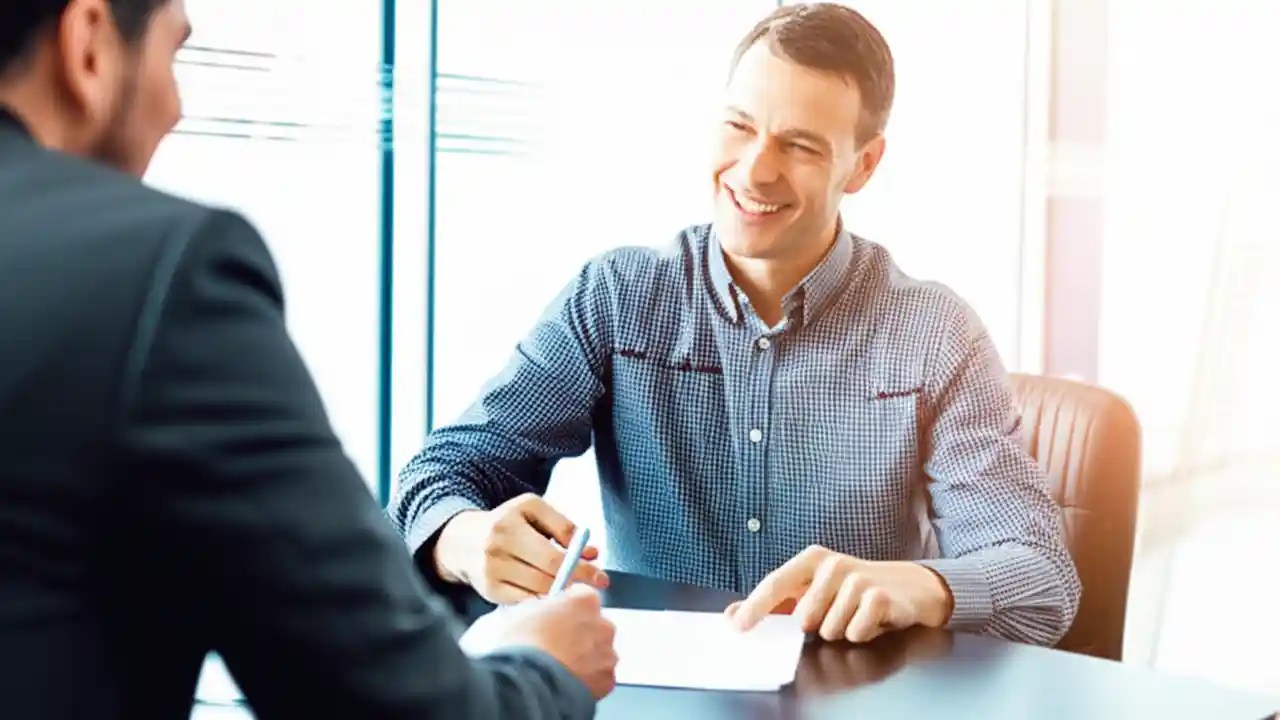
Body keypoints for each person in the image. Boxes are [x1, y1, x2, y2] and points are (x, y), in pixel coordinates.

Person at [392, 2, 1081, 648]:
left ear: (862, 165)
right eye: (739, 126)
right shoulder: (618, 298)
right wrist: (462, 537)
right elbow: (439, 474)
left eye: (801, 146)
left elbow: (1041, 579)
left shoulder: (934, 334)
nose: (755, 170)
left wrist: (924, 586)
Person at [0, 1, 617, 718]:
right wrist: (546, 666)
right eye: (175, 56)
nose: (176, 109)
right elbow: (392, 703)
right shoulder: (160, 271)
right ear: (89, 43)